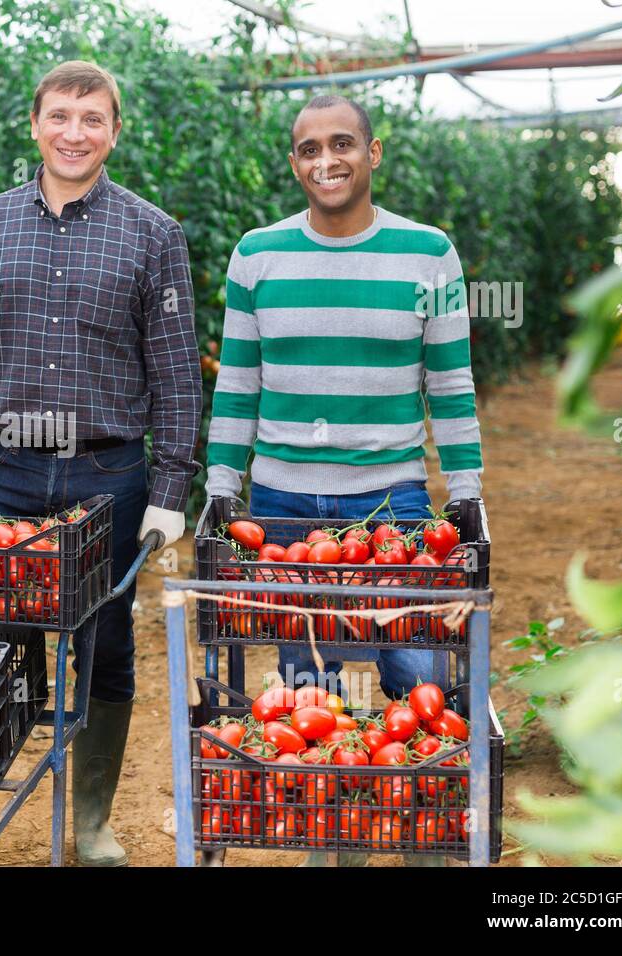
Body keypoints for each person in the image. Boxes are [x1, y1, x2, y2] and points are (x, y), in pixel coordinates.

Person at [0, 60, 202, 866]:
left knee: (106, 643)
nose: (75, 132)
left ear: (115, 131)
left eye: (93, 118)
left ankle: (91, 820)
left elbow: (176, 371)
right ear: (35, 124)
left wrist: (171, 485)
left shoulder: (153, 234)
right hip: (0, 470)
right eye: (61, 116)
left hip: (105, 475)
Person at [204, 95, 484, 865]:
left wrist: (466, 487)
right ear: (293, 162)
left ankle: (426, 826)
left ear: (374, 152)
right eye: (307, 149)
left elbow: (449, 381)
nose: (324, 161)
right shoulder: (257, 255)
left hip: (390, 500)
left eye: (341, 145)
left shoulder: (428, 254)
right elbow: (238, 382)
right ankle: (339, 838)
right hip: (283, 506)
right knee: (309, 683)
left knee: (413, 664)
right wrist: (221, 482)